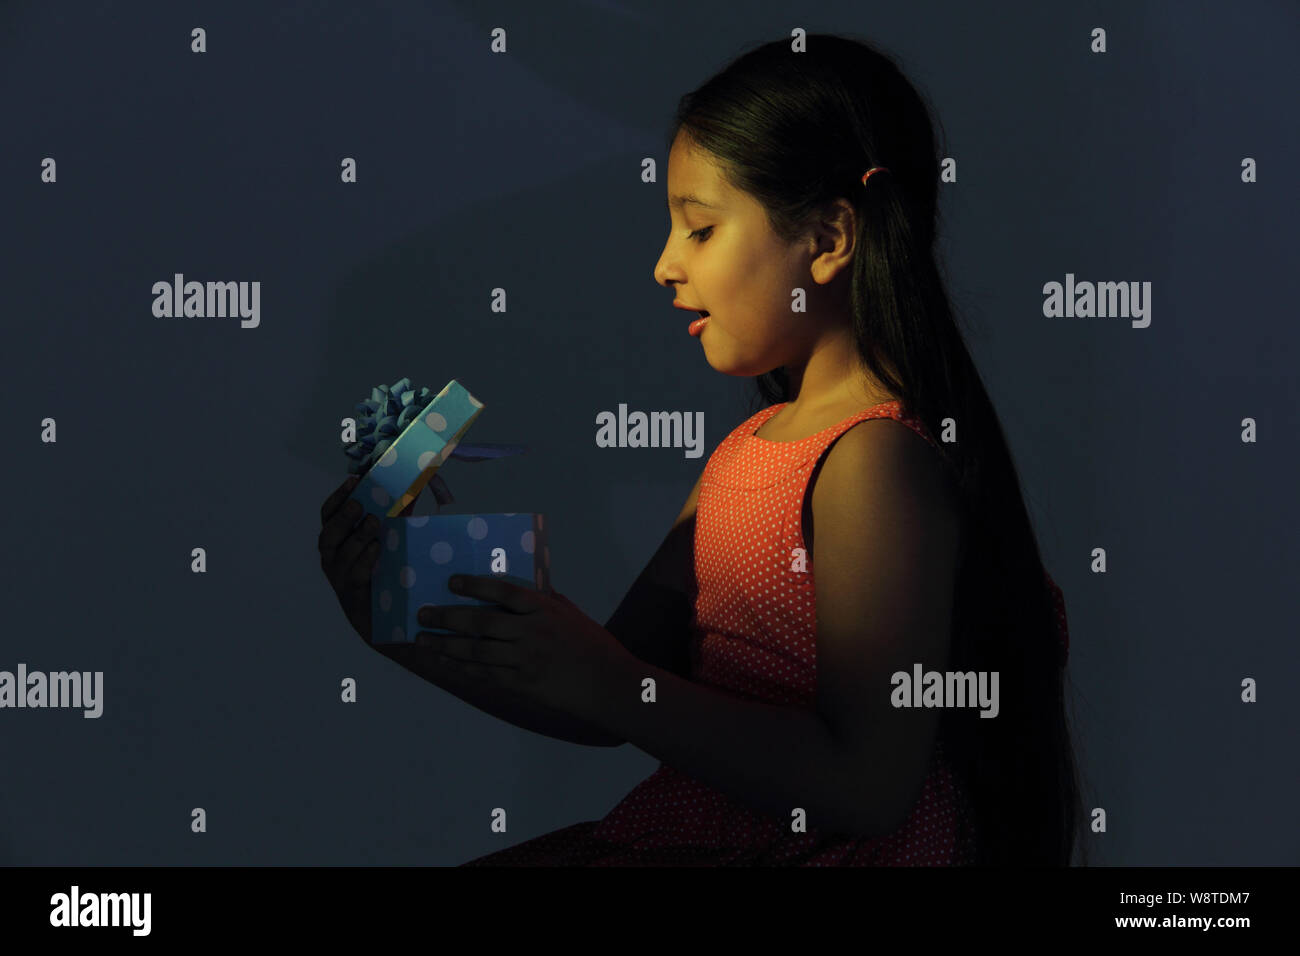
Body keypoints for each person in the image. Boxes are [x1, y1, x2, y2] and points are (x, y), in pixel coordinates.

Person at [319, 33, 1086, 866]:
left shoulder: (875, 463)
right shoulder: (745, 454)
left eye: (702, 229)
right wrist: (393, 624)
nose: (663, 266)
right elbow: (596, 709)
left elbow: (868, 786)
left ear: (830, 238)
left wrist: (604, 677)